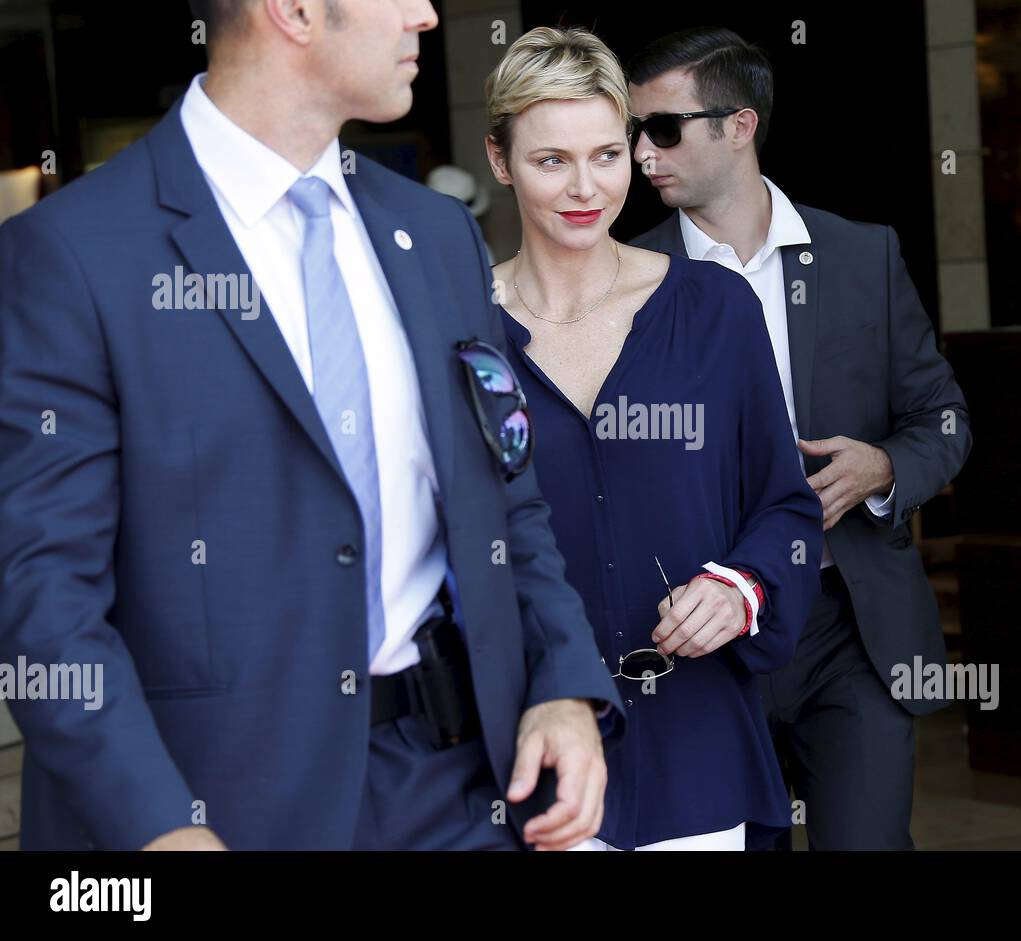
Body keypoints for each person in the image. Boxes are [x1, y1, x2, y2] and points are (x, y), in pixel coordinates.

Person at [0, 0, 622, 851]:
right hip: (221, 808)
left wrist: (563, 682)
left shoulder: (437, 234)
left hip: (461, 787)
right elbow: (43, 597)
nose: (428, 15)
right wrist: (159, 830)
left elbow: (508, 500)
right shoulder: (73, 252)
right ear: (292, 10)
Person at [628, 27, 972, 849]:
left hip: (847, 621)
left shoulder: (863, 254)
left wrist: (884, 466)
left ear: (738, 126)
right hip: (699, 633)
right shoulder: (627, 277)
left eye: (664, 127)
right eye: (634, 130)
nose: (642, 152)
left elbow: (944, 418)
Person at [482, 26, 822, 850]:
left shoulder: (716, 310)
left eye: (605, 154)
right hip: (530, 756)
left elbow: (787, 507)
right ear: (500, 160)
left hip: (699, 747)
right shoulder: (458, 332)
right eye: (550, 160)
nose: (584, 187)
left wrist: (742, 588)